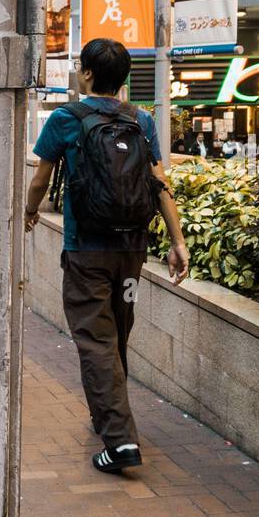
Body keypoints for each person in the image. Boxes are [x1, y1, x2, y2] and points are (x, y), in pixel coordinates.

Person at [24, 37, 190, 475]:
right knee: (116, 336)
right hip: (132, 251)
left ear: (89, 74)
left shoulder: (66, 119)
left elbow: (40, 179)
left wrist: (27, 213)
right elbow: (159, 184)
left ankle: (119, 443)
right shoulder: (143, 121)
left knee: (97, 341)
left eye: (82, 67)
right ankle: (108, 418)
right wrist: (178, 241)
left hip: (87, 251)